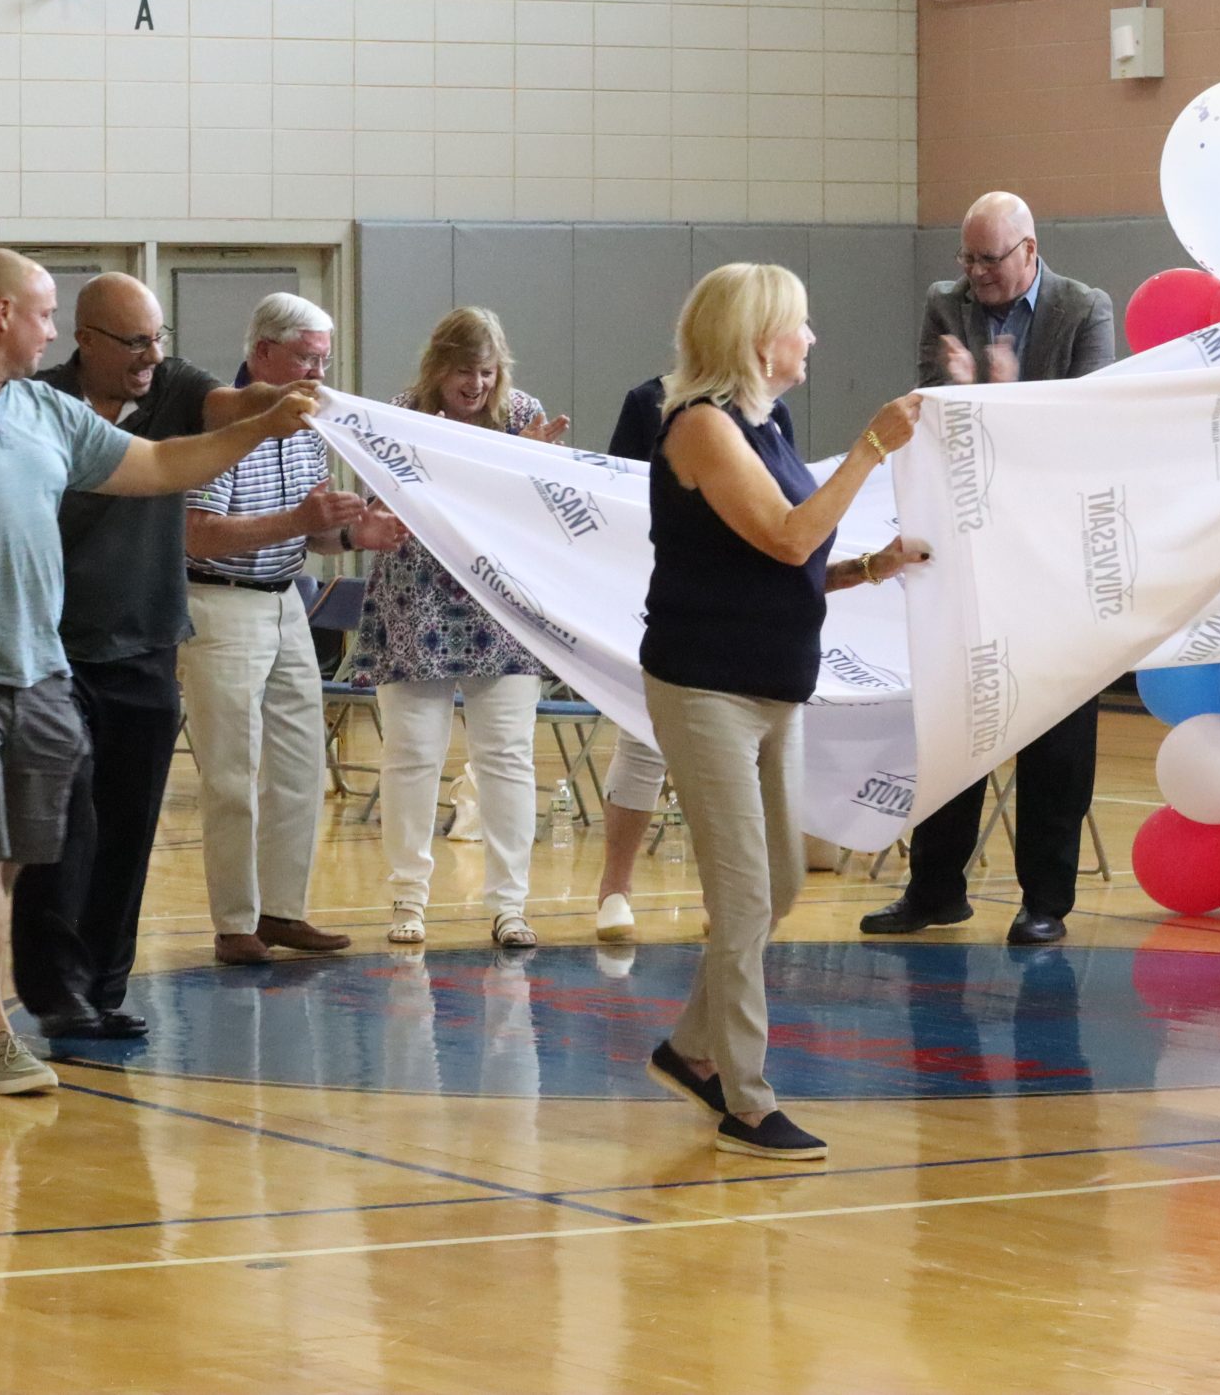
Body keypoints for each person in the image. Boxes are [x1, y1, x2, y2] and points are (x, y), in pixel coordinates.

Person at [0, 250, 319, 1094]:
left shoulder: (46, 411)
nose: (52, 333)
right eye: (43, 316)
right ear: (1, 314)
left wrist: (258, 428)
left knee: (7, 859)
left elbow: (158, 467)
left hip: (41, 663)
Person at [636, 262, 926, 1160]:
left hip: (773, 682)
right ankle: (747, 1097)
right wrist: (873, 450)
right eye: (801, 325)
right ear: (761, 338)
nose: (812, 340)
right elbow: (790, 532)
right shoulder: (701, 428)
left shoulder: (772, 424)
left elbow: (784, 563)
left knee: (784, 885)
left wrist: (868, 569)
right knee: (742, 895)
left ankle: (688, 1048)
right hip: (706, 685)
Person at [9, 274, 308, 1040]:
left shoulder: (176, 388)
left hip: (146, 647)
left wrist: (281, 403)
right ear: (86, 338)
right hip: (54, 650)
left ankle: (103, 989)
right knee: (65, 829)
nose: (150, 356)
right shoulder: (39, 403)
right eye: (134, 341)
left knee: (127, 829)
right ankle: (54, 989)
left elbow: (231, 408)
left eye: (158, 338)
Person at [861, 191, 1115, 947]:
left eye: (990, 259)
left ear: (1030, 251)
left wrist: (1000, 398)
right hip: (968, 547)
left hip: (1058, 555)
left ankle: (1047, 901)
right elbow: (922, 420)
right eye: (967, 258)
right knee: (952, 718)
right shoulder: (946, 303)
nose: (975, 275)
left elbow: (1086, 423)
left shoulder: (1085, 308)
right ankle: (935, 888)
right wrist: (972, 397)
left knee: (1057, 735)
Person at [180, 293, 405, 966]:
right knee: (230, 771)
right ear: (263, 351)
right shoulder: (221, 421)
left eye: (324, 359)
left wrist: (351, 532)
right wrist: (302, 524)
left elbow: (315, 527)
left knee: (302, 764)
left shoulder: (308, 425)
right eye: (307, 357)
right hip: (220, 602)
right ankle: (235, 920)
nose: (317, 370)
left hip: (286, 601)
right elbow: (198, 534)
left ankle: (283, 907)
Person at [353, 307, 572, 951]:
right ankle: (407, 899)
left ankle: (510, 905)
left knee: (506, 758)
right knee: (411, 757)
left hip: (499, 610)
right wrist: (498, 466)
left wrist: (527, 466)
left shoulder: (523, 412)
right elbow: (395, 499)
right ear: (436, 368)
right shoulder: (401, 413)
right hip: (414, 601)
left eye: (486, 371)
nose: (475, 385)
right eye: (462, 372)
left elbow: (543, 510)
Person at [591, 370, 797, 946]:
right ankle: (615, 887)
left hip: (752, 609)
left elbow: (786, 505)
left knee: (739, 766)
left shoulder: (773, 413)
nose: (807, 339)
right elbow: (621, 491)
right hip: (676, 594)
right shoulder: (652, 401)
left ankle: (723, 894)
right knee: (644, 741)